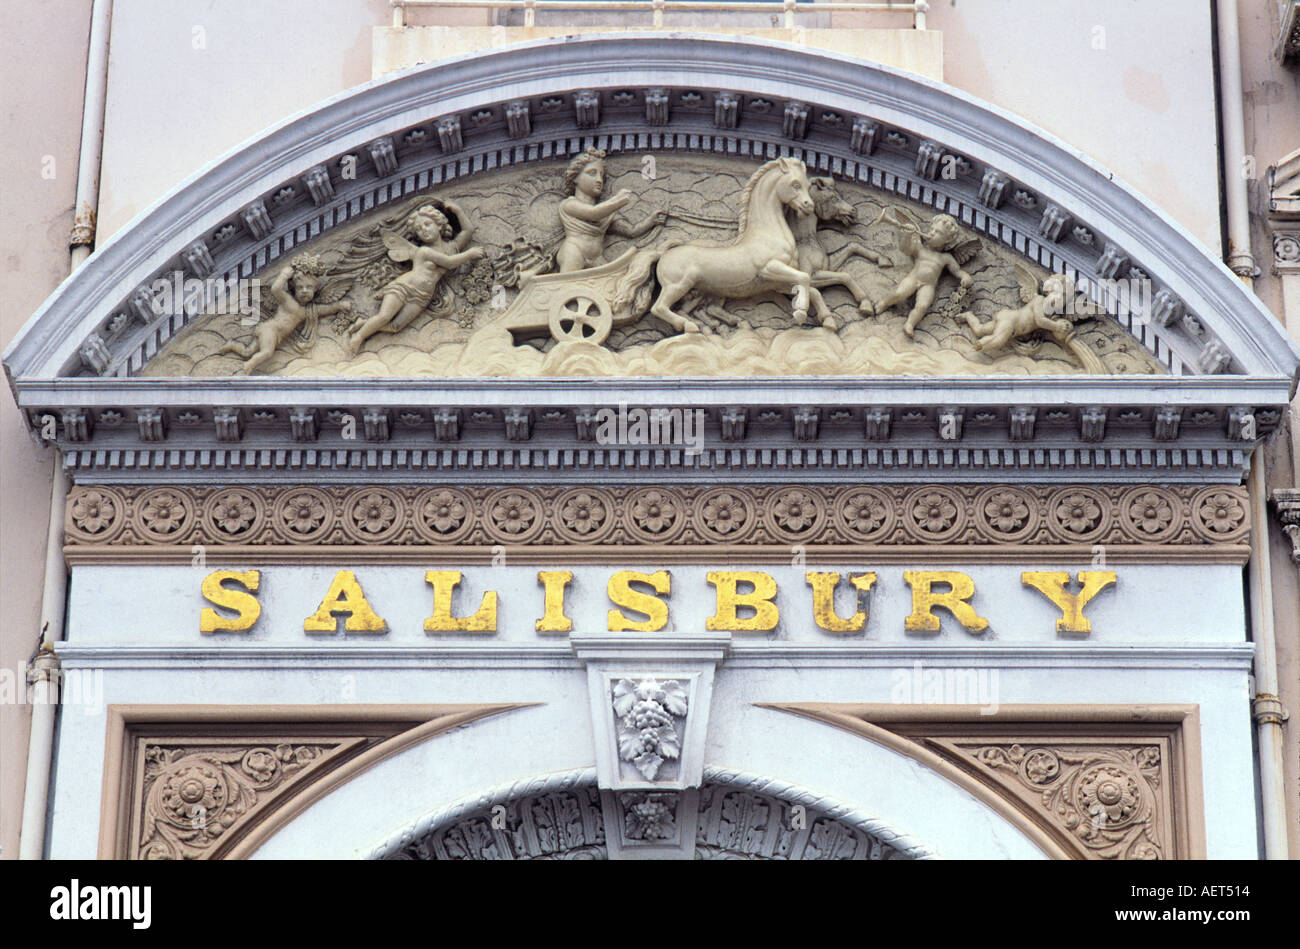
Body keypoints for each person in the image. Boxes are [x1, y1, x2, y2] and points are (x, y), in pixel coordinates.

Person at [346, 201, 483, 353]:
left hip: (423, 296)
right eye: (418, 229)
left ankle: (364, 323)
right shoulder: (424, 251)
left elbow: (468, 231)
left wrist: (458, 210)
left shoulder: (452, 248)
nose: (423, 230)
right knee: (384, 316)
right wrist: (469, 254)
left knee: (395, 327)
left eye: (427, 224)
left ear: (439, 224)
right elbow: (449, 263)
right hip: (405, 287)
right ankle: (359, 336)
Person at [554, 148, 666, 273]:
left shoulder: (606, 213)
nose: (599, 180)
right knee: (566, 286)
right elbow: (593, 213)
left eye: (601, 175)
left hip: (597, 257)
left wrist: (651, 221)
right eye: (592, 173)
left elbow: (631, 231)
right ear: (575, 178)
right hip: (574, 251)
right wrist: (617, 201)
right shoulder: (569, 204)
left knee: (612, 286)